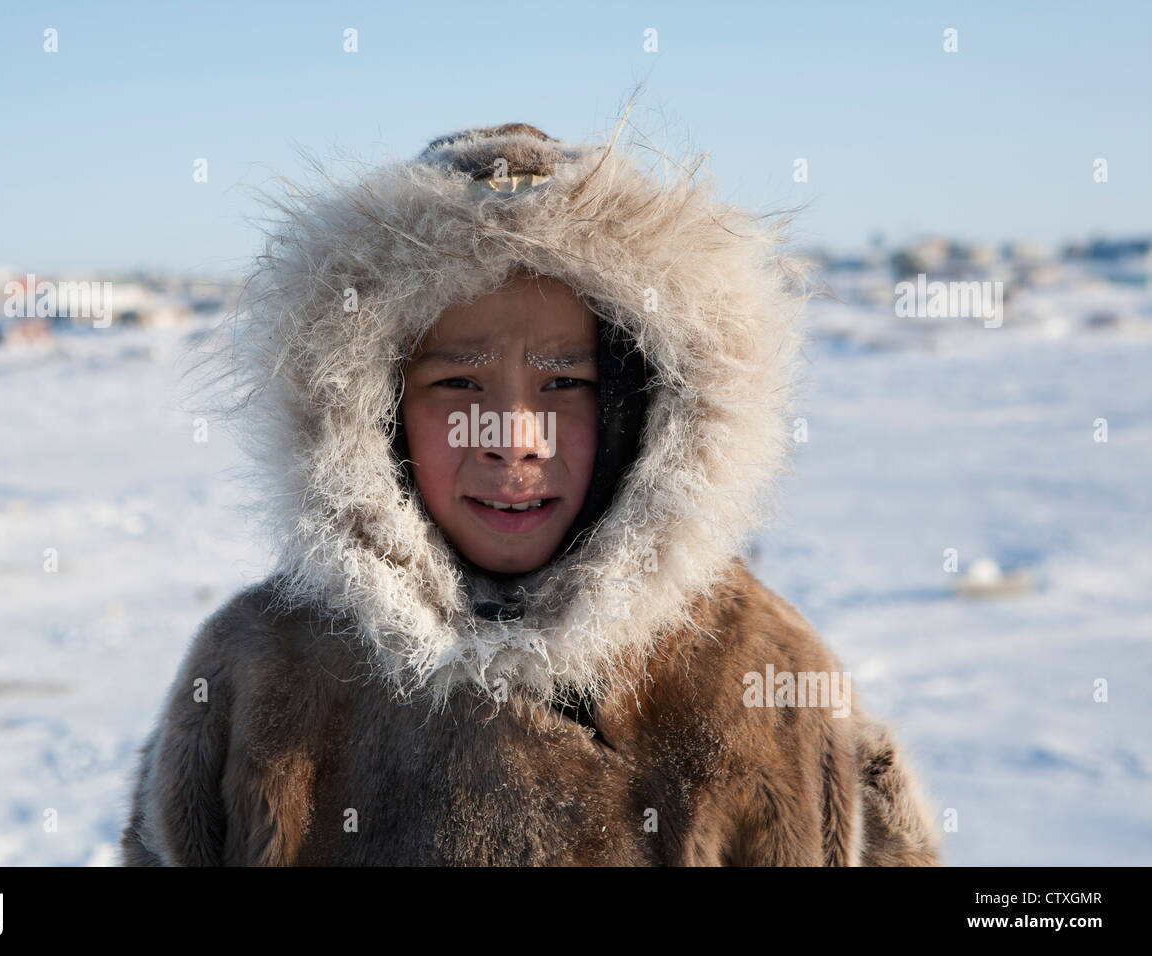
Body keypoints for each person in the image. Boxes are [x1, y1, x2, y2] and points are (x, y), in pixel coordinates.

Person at [120, 119, 941, 865]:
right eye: (459, 383)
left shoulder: (761, 672)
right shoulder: (261, 672)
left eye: (564, 383)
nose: (512, 433)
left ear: (642, 410)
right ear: (371, 412)